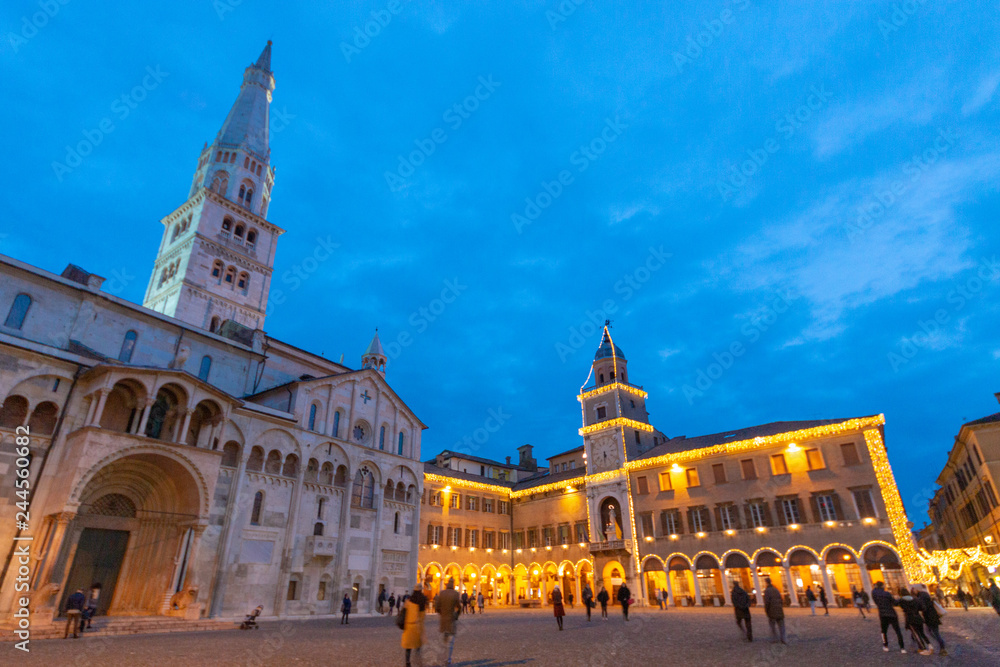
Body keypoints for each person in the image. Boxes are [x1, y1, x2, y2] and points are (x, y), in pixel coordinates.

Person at [871, 581, 905, 653]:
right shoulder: (887, 594)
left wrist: (875, 587)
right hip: (892, 614)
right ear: (883, 586)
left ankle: (885, 645)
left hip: (883, 615)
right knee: (898, 631)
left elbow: (873, 592)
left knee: (883, 631)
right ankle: (902, 648)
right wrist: (900, 599)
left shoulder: (874, 594)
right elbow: (895, 603)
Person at [435, 578, 461, 667]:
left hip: (443, 621)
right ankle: (448, 661)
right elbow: (459, 607)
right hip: (451, 621)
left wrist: (442, 614)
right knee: (450, 643)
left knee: (443, 642)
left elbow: (437, 607)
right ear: (453, 584)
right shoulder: (455, 594)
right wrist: (456, 615)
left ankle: (442, 660)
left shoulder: (442, 593)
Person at [916, 584, 947, 656]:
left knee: (935, 633)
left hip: (930, 618)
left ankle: (942, 646)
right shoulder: (926, 596)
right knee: (930, 632)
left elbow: (924, 608)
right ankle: (941, 644)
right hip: (932, 617)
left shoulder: (922, 597)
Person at [899, 587, 931, 655]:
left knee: (916, 635)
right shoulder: (916, 599)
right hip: (918, 617)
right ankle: (930, 646)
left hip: (910, 619)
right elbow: (923, 608)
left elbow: (899, 605)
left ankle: (923, 649)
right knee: (922, 633)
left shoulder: (902, 600)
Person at [401, 584, 427, 667]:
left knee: (408, 647)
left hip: (408, 626)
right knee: (418, 647)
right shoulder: (422, 602)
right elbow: (422, 617)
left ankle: (407, 662)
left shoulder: (408, 601)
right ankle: (418, 662)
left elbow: (403, 613)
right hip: (417, 627)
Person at [763, 578, 785, 644]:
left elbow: (767, 602)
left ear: (766, 583)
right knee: (781, 625)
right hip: (779, 609)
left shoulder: (767, 591)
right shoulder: (776, 590)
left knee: (772, 626)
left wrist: (766, 610)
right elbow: (781, 600)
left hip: (771, 610)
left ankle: (775, 638)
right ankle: (783, 638)